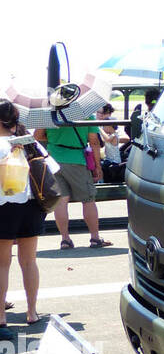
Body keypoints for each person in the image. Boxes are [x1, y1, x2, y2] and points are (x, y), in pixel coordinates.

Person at [36, 119, 112, 249]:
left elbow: (37, 136)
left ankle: (65, 239)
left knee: (61, 201)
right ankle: (95, 238)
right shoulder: (86, 114)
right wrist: (97, 166)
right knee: (88, 199)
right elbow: (94, 142)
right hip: (78, 160)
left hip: (53, 160)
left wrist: (54, 140)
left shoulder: (50, 113)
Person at [0, 101, 43, 329]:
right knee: (29, 261)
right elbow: (51, 168)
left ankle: (1, 317)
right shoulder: (27, 140)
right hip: (31, 205)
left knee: (2, 263)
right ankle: (32, 312)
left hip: (3, 207)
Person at [97, 104, 126, 183]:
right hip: (109, 158)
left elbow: (107, 139)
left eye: (105, 126)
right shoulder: (111, 135)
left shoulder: (114, 135)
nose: (104, 128)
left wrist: (99, 129)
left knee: (103, 167)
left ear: (110, 127)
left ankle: (101, 181)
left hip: (114, 161)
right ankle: (101, 180)